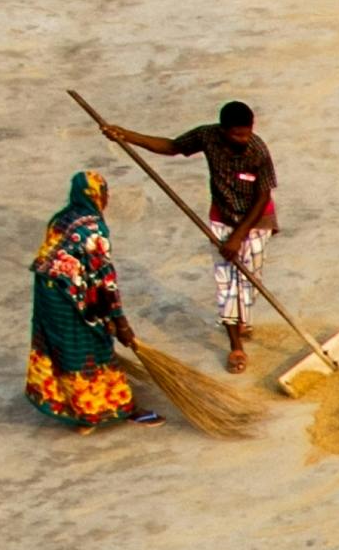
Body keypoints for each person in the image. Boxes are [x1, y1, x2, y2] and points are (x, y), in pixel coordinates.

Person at [99, 99, 276, 370]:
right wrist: (126, 135)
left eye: (246, 133)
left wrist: (239, 236)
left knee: (249, 278)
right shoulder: (207, 136)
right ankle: (236, 347)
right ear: (222, 129)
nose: (242, 139)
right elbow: (172, 147)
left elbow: (263, 195)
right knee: (227, 281)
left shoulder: (258, 151)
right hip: (222, 216)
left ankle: (241, 320)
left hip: (255, 218)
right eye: (236, 134)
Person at [25, 170, 160, 429]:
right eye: (105, 193)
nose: (107, 198)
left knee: (63, 349)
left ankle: (72, 407)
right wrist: (120, 322)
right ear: (98, 196)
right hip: (69, 298)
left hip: (47, 294)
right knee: (91, 346)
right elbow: (104, 278)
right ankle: (103, 408)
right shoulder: (93, 228)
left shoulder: (61, 219)